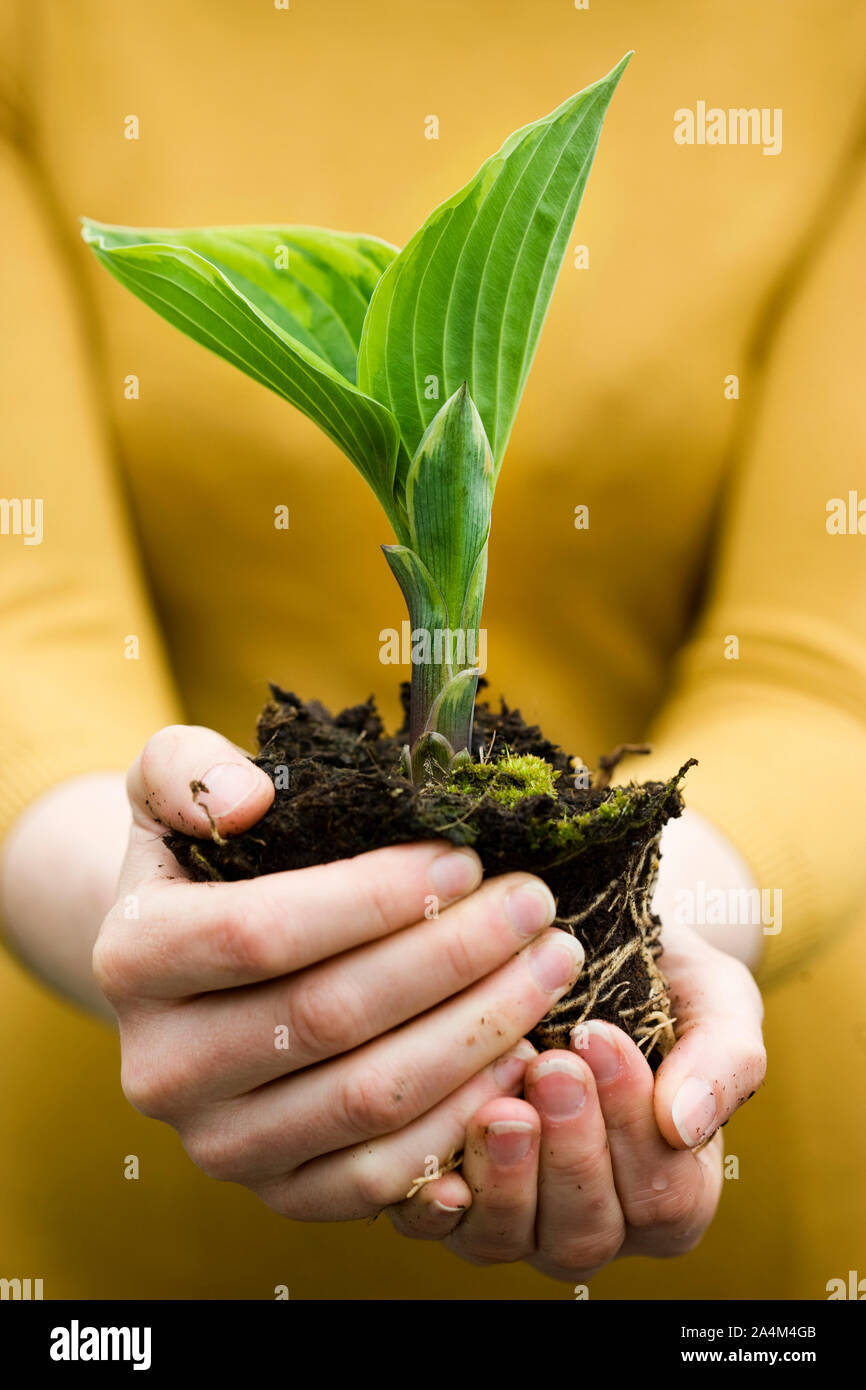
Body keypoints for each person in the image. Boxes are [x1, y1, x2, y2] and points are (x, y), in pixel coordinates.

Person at [1, 0, 864, 1299]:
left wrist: (649, 917)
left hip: (740, 1238)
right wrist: (135, 909)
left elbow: (825, 668)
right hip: (129, 1228)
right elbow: (29, 622)